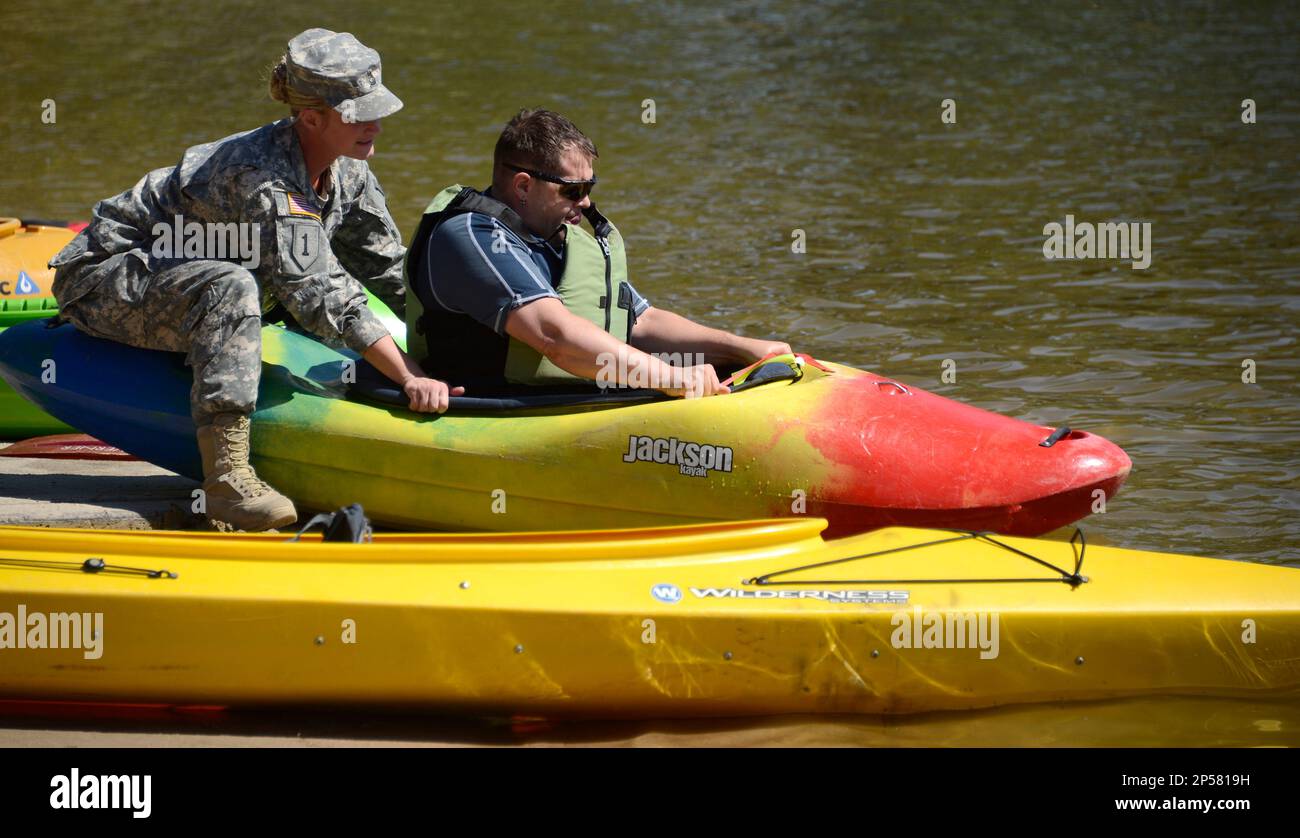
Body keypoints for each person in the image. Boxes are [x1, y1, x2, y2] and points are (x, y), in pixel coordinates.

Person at [48, 28, 460, 532]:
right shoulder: (261, 178)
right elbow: (321, 290)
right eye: (359, 114)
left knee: (240, 282)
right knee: (233, 287)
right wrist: (409, 376)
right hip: (106, 273)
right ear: (311, 117)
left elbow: (389, 269)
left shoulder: (348, 170)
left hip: (179, 277)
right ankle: (226, 481)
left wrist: (461, 335)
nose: (375, 124)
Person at [404, 109, 790, 397]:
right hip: (494, 407)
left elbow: (641, 322)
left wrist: (743, 349)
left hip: (566, 396)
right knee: (677, 374)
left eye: (590, 187)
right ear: (523, 186)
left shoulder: (558, 233)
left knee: (720, 363)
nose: (586, 203)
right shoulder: (471, 237)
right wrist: (674, 378)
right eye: (573, 190)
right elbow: (555, 336)